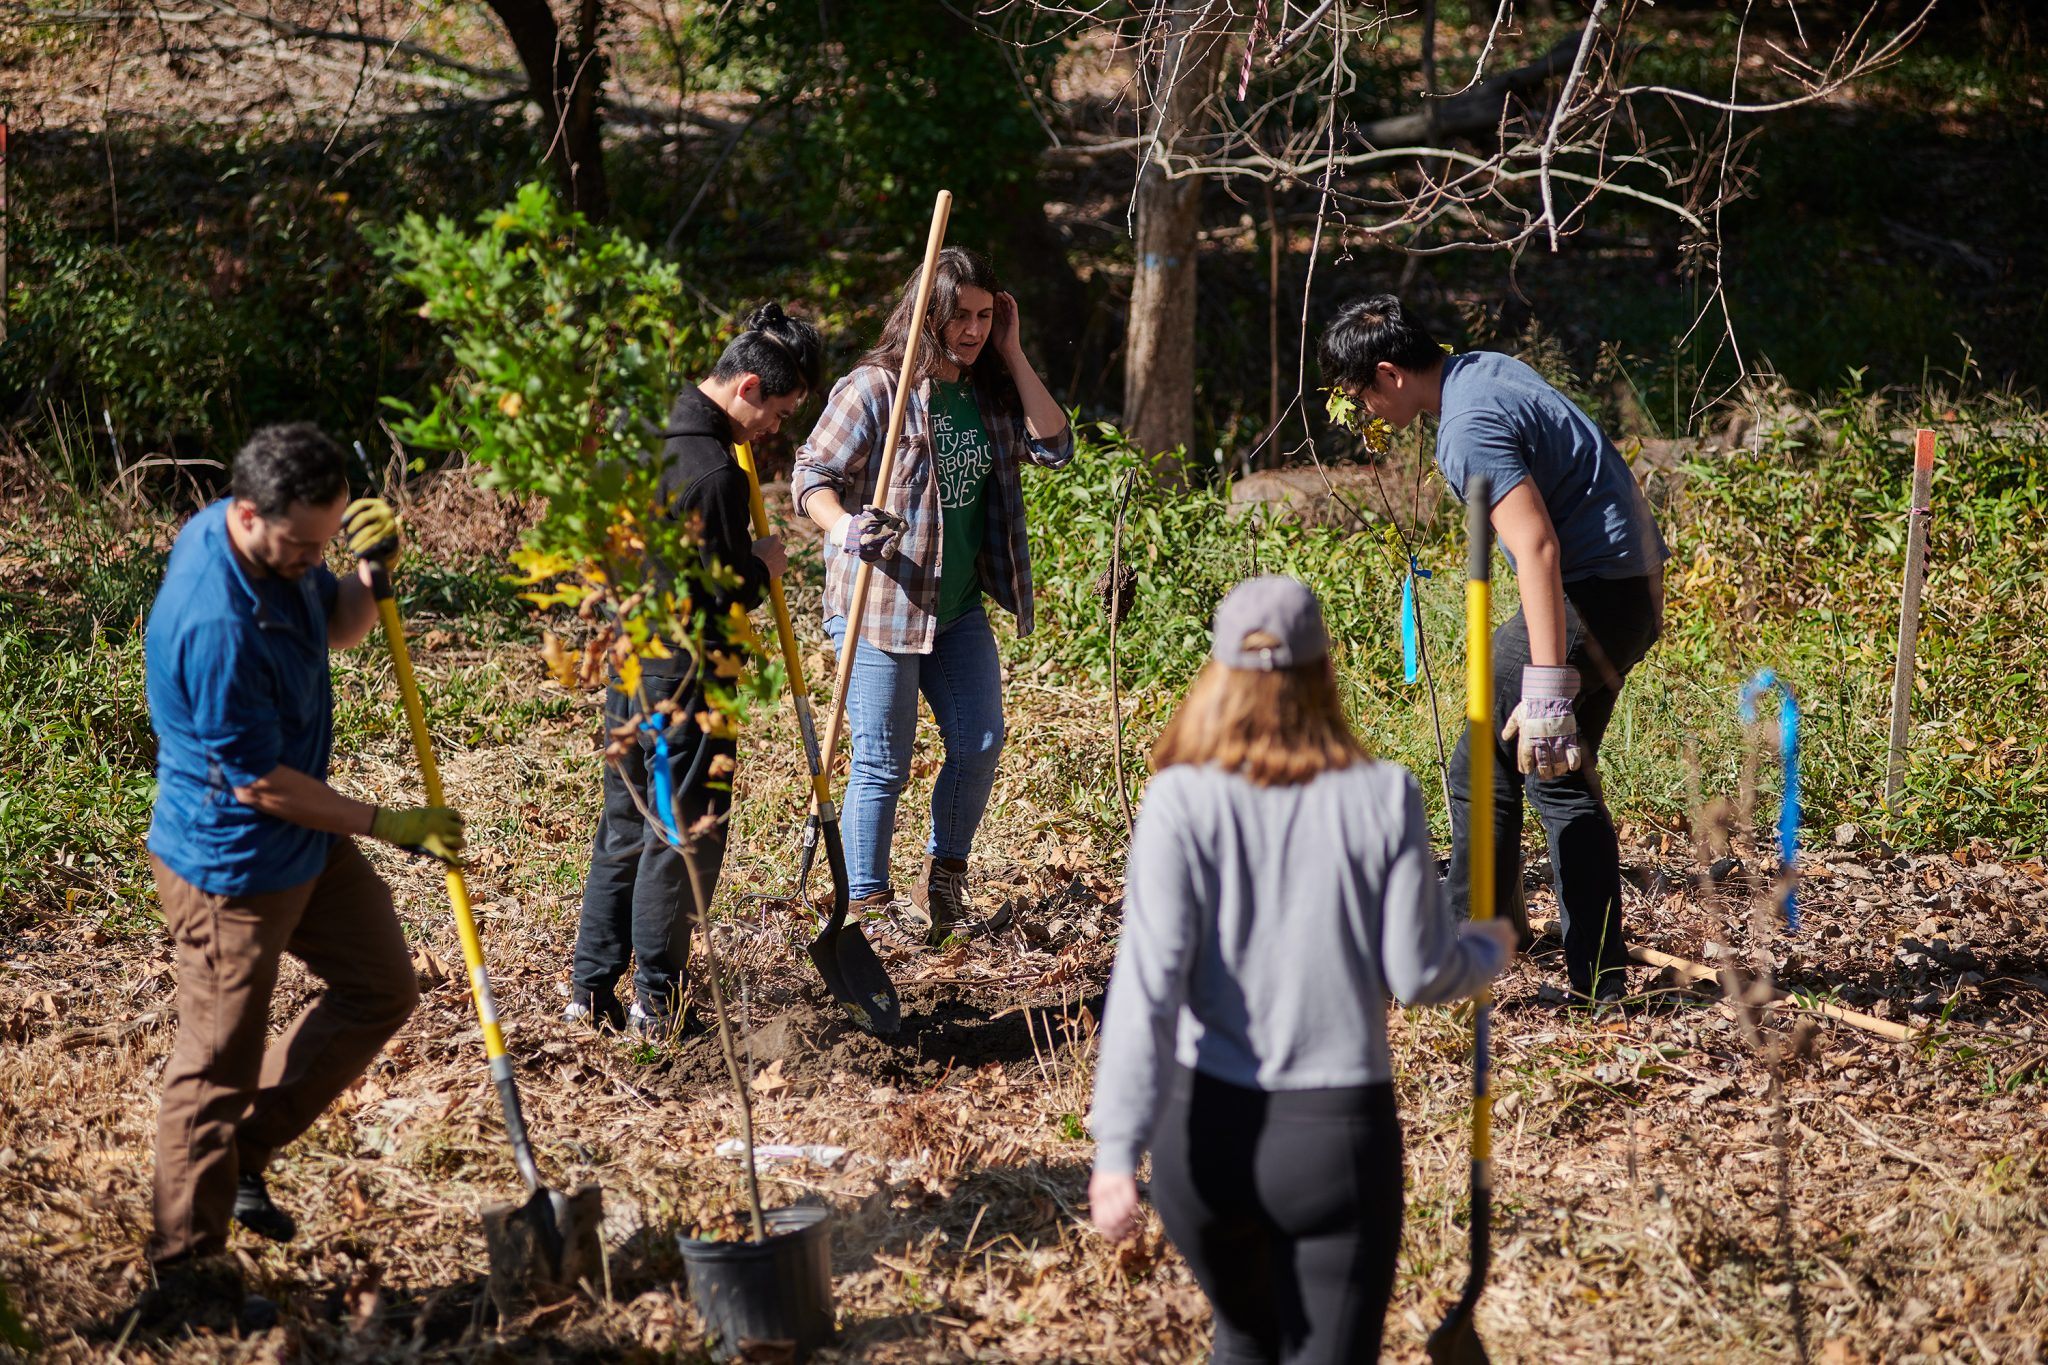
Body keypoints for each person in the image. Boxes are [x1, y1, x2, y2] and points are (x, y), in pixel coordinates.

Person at [1088, 577, 1515, 1365]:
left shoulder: (1177, 800)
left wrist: (1117, 1149)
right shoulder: (1384, 794)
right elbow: (1418, 973)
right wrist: (1488, 948)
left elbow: (1148, 983)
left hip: (1203, 1140)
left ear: (1217, 676)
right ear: (1324, 670)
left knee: (1245, 1338)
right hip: (1334, 1140)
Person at [138, 423, 464, 1330]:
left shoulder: (281, 545)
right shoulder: (215, 619)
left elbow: (343, 626)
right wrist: (387, 822)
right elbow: (259, 782)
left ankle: (242, 1156)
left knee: (381, 985)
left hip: (305, 842)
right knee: (216, 1065)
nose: (313, 561)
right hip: (233, 862)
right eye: (304, 547)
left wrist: (371, 571)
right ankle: (184, 1279)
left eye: (325, 543)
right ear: (247, 514)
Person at [1318, 294, 1668, 1002]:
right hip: (1630, 588)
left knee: (1483, 768)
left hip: (1593, 593)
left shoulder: (1467, 426)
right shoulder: (1482, 370)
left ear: (1388, 374)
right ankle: (1590, 975)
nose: (1362, 411)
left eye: (1360, 395)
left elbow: (1537, 547)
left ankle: (1460, 953)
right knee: (1557, 775)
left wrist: (1547, 687)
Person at [792, 247, 1073, 944]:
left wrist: (1012, 351)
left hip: (956, 609)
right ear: (927, 315)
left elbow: (1055, 445)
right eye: (960, 316)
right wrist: (845, 526)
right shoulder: (875, 388)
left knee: (979, 740)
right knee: (883, 762)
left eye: (985, 316)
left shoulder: (988, 390)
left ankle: (944, 881)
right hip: (881, 604)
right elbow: (811, 476)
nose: (973, 330)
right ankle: (867, 907)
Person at [565, 304, 820, 1036]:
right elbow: (716, 594)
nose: (773, 431)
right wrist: (761, 565)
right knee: (683, 832)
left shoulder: (644, 429)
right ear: (747, 387)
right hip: (687, 674)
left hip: (630, 656)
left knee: (626, 822)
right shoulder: (714, 472)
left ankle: (589, 989)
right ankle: (658, 1000)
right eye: (777, 413)